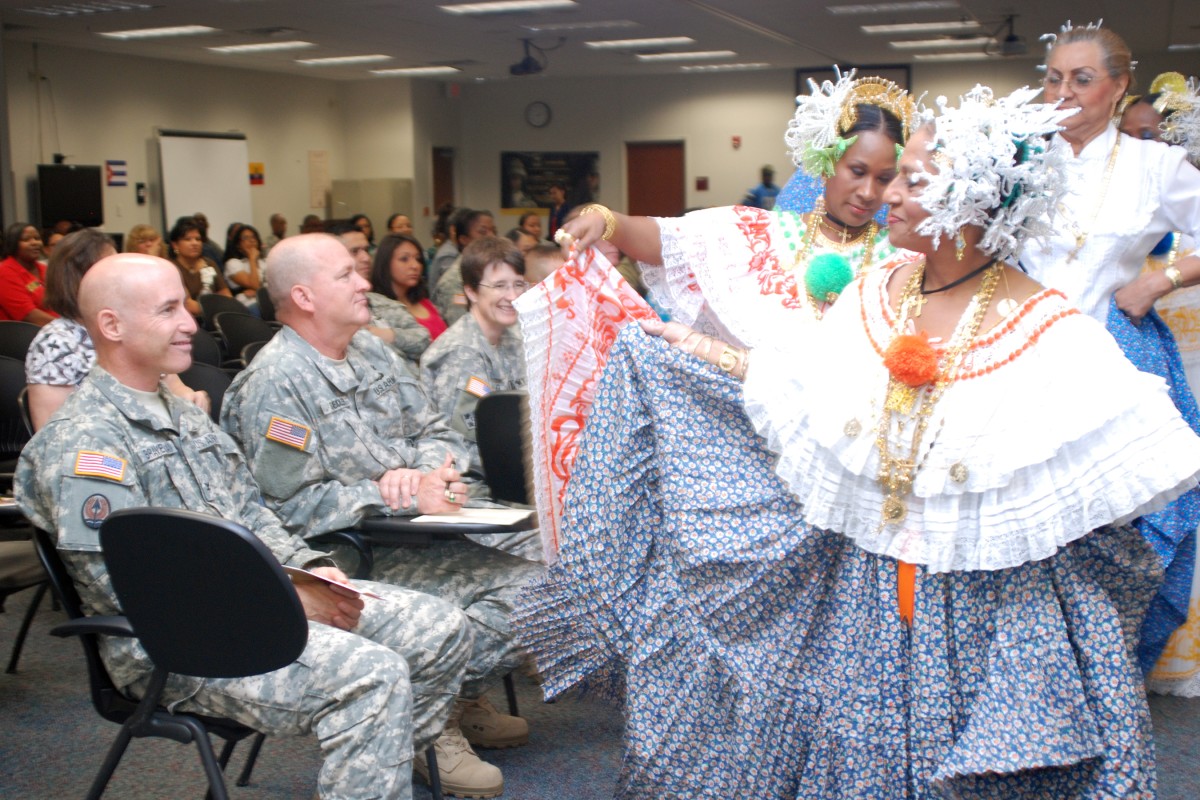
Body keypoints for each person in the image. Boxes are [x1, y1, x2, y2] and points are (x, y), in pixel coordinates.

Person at [515, 85, 1200, 798]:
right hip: (866, 606)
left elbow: (1134, 470)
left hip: (975, 622)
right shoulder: (877, 291)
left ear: (967, 202)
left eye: (909, 176)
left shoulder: (1049, 328)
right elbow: (797, 384)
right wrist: (693, 348)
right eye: (882, 174)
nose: (889, 194)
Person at [15, 252, 475, 800]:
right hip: (178, 643)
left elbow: (253, 513)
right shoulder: (82, 444)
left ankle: (372, 767)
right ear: (111, 326)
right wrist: (279, 596)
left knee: (442, 628)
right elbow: (131, 587)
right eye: (168, 311)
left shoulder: (184, 415)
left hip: (254, 603)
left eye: (186, 305)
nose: (190, 323)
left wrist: (314, 573)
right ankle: (369, 765)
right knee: (373, 676)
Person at [220, 233, 544, 798]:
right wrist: (387, 492)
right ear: (303, 295)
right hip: (348, 555)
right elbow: (284, 509)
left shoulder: (372, 350)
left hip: (422, 536)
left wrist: (425, 474)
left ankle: (450, 699)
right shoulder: (274, 384)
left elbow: (438, 432)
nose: (363, 282)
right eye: (345, 275)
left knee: (550, 586)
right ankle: (430, 728)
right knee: (496, 601)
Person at [1025, 21, 1200, 672]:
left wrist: (1161, 278)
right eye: (1052, 78)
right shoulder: (1020, 161)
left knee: (1119, 526)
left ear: (1120, 87)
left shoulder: (1156, 166)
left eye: (1082, 78)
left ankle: (1106, 668)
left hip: (1116, 356)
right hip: (1022, 359)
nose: (1063, 92)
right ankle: (1037, 676)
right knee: (1029, 527)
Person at [556, 70, 911, 352]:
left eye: (884, 179)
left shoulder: (900, 261)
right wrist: (607, 220)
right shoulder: (757, 232)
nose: (868, 192)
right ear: (825, 164)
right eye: (858, 172)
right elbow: (664, 239)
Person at [24, 228, 209, 430]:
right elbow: (53, 433)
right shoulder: (55, 343)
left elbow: (174, 386)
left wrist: (190, 400)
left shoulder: (134, 325)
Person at [421, 236, 527, 481]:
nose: (512, 296)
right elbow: (463, 446)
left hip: (509, 471)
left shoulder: (512, 338)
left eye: (519, 284)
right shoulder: (460, 352)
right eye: (499, 286)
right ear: (471, 291)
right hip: (472, 483)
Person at [328, 222, 435, 365]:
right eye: (355, 251)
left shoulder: (383, 303)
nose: (366, 257)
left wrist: (389, 335)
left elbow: (424, 339)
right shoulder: (327, 314)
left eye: (366, 250)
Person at [368, 231, 448, 345]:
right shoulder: (377, 311)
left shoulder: (425, 302)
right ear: (385, 263)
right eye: (404, 259)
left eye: (418, 259)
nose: (415, 266)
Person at [432, 209, 497, 327]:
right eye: (483, 232)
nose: (491, 236)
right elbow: (461, 326)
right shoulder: (453, 281)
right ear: (464, 240)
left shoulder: (490, 272)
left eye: (493, 231)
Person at [168, 216, 233, 318]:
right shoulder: (171, 268)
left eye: (198, 239)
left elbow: (226, 295)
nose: (195, 243)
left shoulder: (209, 263)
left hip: (216, 318)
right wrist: (218, 310)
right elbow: (189, 304)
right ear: (175, 245)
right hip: (187, 319)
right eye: (188, 239)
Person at [0, 222, 56, 325]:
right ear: (13, 244)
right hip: (25, 334)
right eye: (26, 239)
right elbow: (28, 315)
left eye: (37, 238)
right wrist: (69, 328)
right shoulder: (4, 272)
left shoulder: (45, 269)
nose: (35, 243)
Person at [222, 223, 267, 310]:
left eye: (254, 237)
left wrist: (260, 292)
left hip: (269, 301)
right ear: (238, 246)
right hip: (248, 305)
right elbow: (255, 285)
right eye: (246, 238)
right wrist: (252, 259)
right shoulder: (233, 263)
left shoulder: (266, 262)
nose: (251, 240)